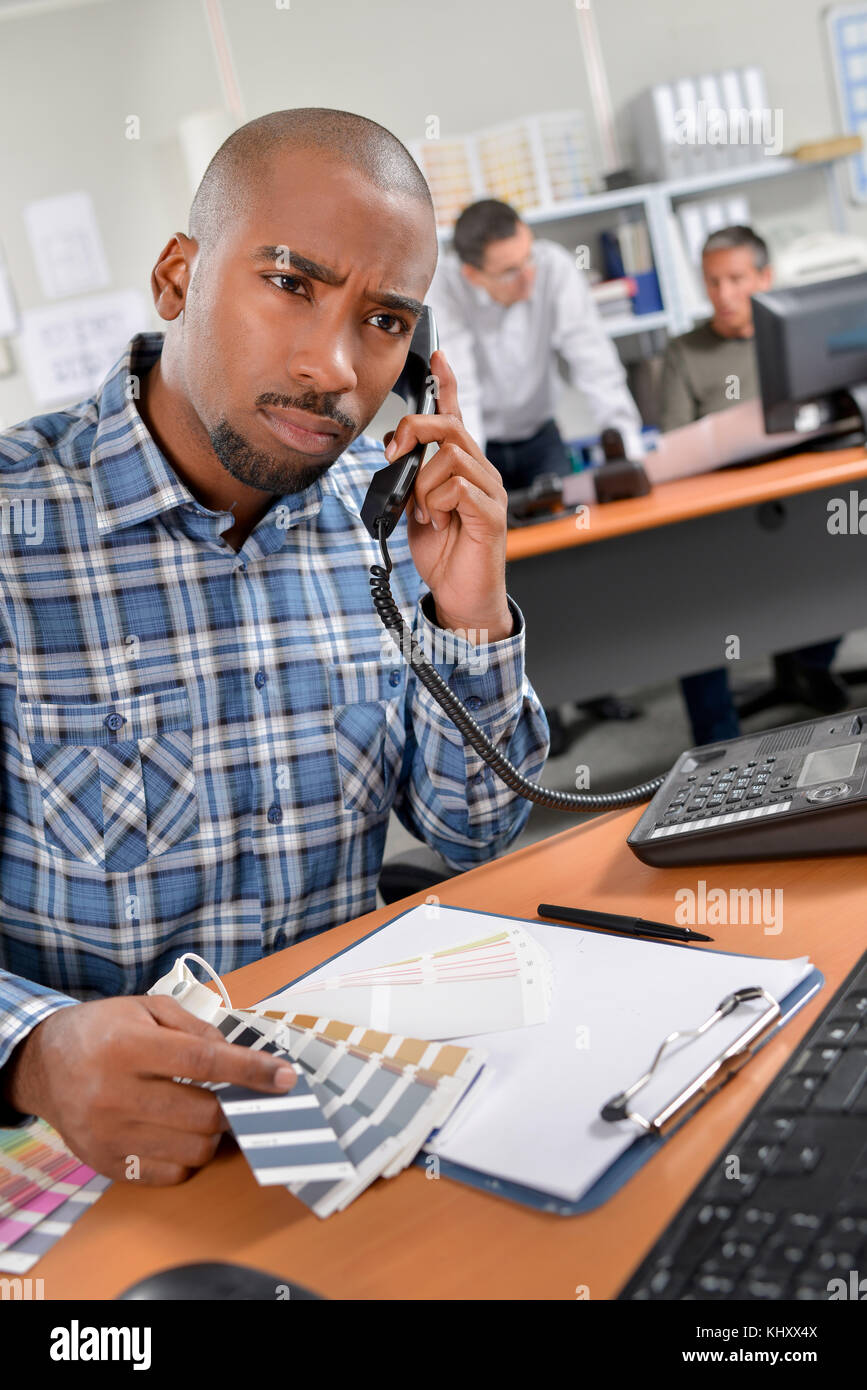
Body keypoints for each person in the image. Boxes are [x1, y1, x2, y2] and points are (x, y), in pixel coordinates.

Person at [0, 109, 548, 1184]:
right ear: (178, 279)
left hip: (347, 1118)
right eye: (292, 283)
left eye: (385, 321)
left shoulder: (381, 519)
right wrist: (33, 1050)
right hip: (82, 1154)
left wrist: (470, 613)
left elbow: (476, 831)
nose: (336, 366)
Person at [429, 198, 646, 748]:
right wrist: (474, 478)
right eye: (510, 271)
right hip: (487, 446)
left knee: (574, 559)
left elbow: (590, 353)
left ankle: (595, 684)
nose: (528, 276)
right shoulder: (445, 291)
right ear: (472, 273)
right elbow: (465, 390)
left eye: (528, 259)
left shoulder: (549, 267)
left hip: (541, 435)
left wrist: (626, 442)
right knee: (508, 578)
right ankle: (541, 702)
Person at [660, 225, 847, 745]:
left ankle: (808, 663)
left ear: (765, 278)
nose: (723, 294)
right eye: (712, 282)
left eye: (736, 279)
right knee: (692, 607)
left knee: (849, 557)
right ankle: (717, 742)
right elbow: (674, 447)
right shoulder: (684, 351)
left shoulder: (796, 336)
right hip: (718, 518)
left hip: (803, 502)